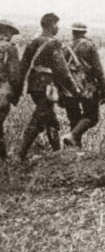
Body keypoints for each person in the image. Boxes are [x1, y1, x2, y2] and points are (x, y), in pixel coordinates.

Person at [17, 12, 79, 161]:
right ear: (51, 25)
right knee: (39, 117)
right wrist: (74, 88)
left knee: (50, 118)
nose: (58, 28)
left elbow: (23, 66)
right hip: (47, 86)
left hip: (34, 86)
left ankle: (56, 153)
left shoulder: (33, 41)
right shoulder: (54, 43)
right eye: (57, 24)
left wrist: (18, 89)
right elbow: (62, 70)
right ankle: (20, 156)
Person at [60, 22, 105, 148]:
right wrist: (104, 90)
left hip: (68, 87)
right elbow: (98, 70)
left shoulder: (64, 47)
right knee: (92, 117)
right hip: (87, 87)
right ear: (84, 32)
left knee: (74, 118)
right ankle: (73, 136)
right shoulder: (89, 45)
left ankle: (75, 148)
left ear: (73, 32)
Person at [0, 19, 21, 161]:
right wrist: (15, 94)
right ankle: (3, 158)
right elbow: (14, 75)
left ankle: (3, 157)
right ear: (7, 32)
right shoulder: (10, 47)